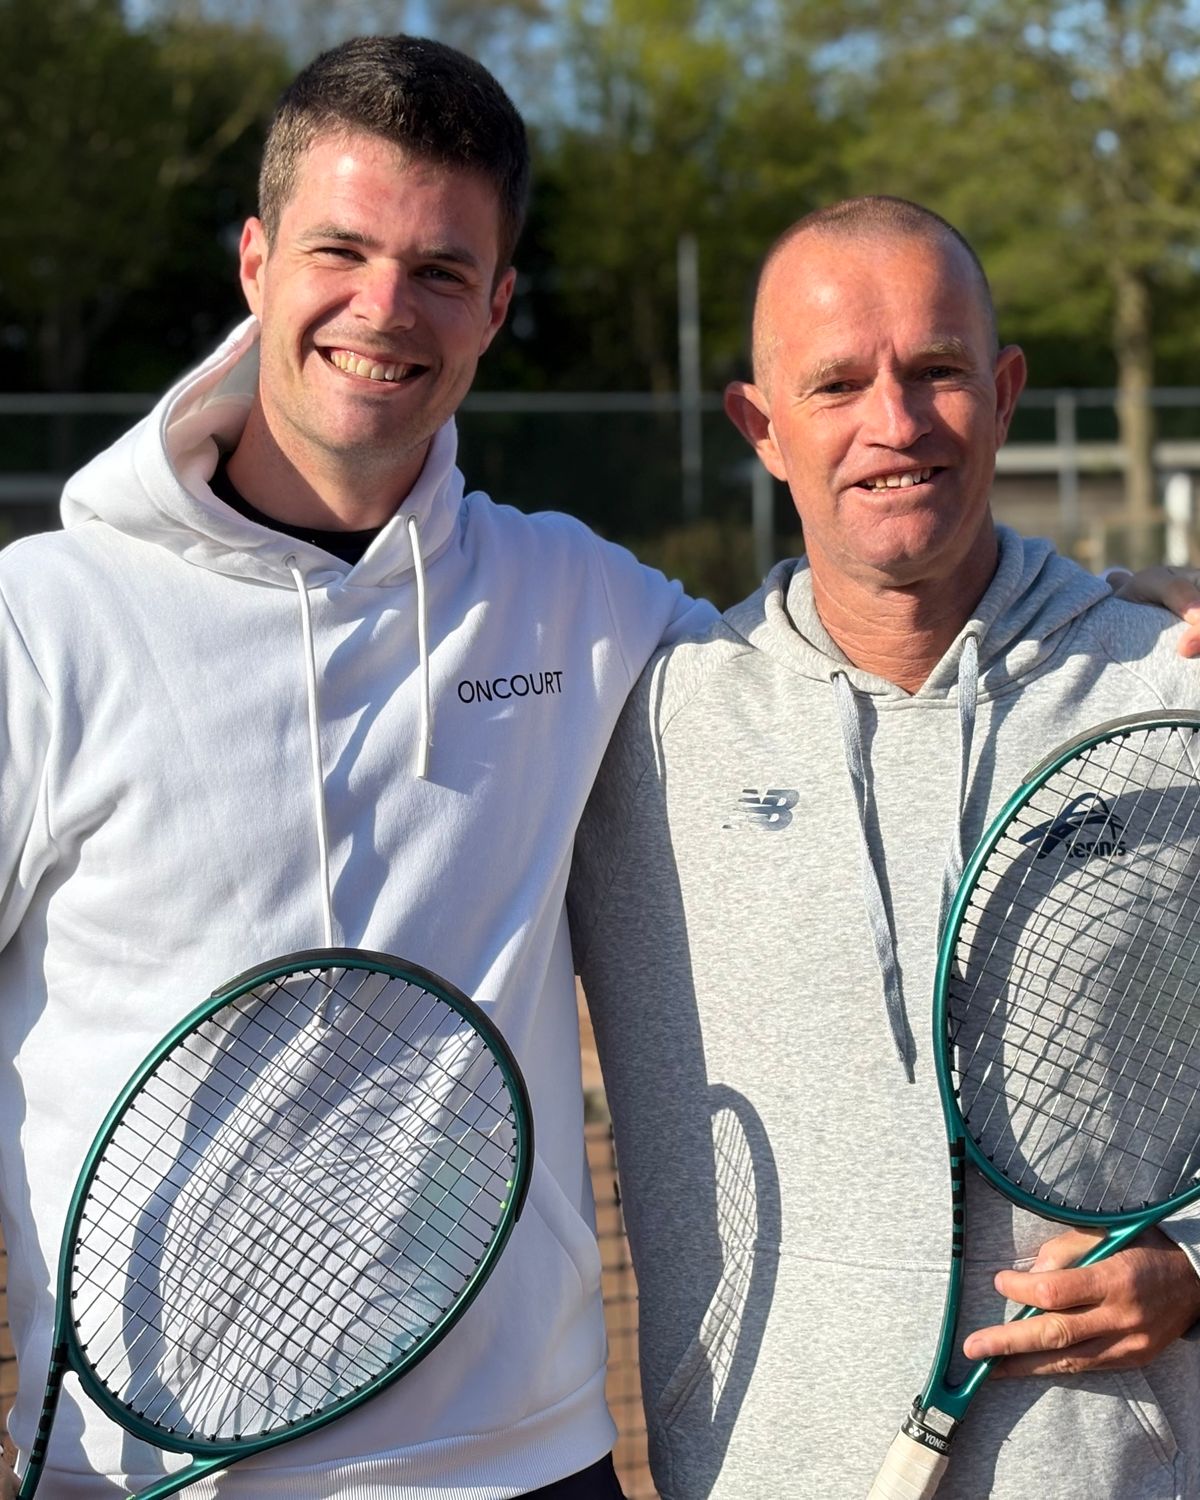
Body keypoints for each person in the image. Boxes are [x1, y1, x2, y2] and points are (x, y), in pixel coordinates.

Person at [0, 34, 721, 1500]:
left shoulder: (576, 600)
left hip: (530, 1463)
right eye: (342, 249)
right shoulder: (41, 620)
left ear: (498, 305)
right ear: (257, 261)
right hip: (139, 1470)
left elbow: (849, 678)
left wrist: (1102, 613)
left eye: (444, 270)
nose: (384, 309)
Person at [570, 196, 1200, 1499]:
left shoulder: (1172, 691)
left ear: (1006, 388)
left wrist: (1197, 1263)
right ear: (762, 427)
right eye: (838, 383)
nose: (895, 425)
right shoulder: (634, 724)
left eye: (937, 372)